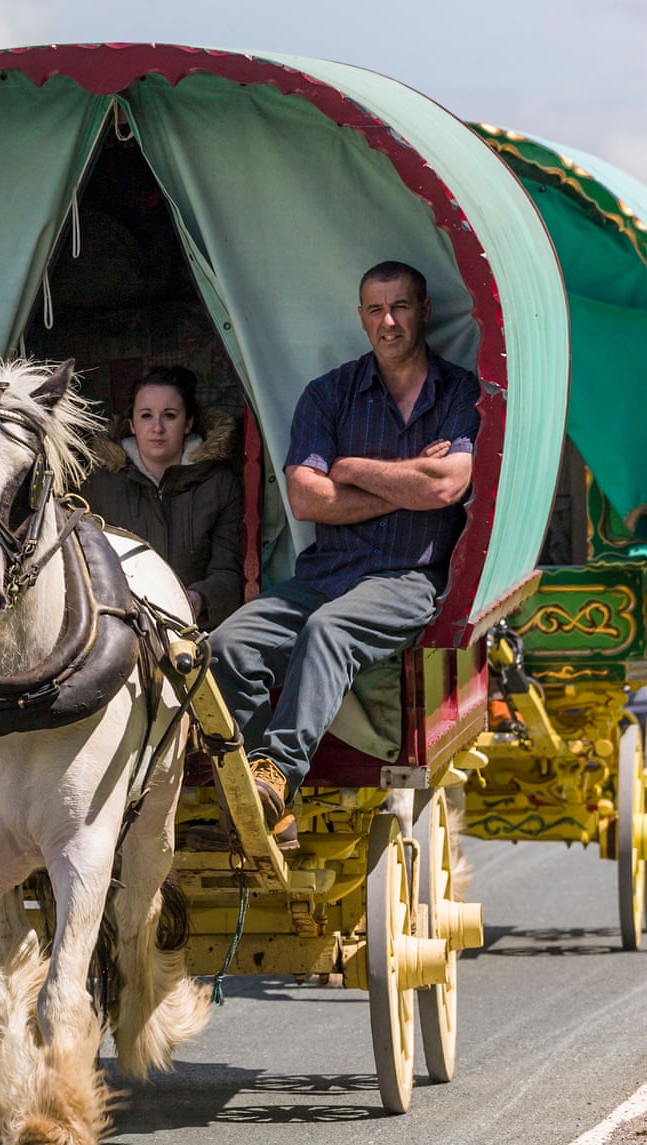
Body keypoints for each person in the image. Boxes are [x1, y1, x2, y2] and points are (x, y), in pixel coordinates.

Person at [192, 261, 481, 853]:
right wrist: (402, 481)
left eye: (400, 307)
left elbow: (447, 487)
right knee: (226, 646)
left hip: (407, 577)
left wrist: (347, 469)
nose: (389, 321)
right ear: (361, 317)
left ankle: (275, 774)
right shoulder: (330, 394)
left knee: (329, 631)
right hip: (326, 573)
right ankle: (267, 811)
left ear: (424, 311)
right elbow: (305, 497)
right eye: (376, 310)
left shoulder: (458, 392)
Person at [80, 365, 243, 629]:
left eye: (169, 415)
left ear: (188, 422)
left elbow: (228, 571)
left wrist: (199, 598)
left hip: (196, 629)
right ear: (132, 424)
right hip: (120, 630)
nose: (157, 428)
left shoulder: (219, 483)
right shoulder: (97, 487)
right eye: (146, 416)